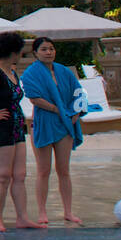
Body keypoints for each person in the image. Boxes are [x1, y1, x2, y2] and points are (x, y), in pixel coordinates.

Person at [0, 31, 43, 232]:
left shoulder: (12, 72)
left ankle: (22, 217)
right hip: (2, 128)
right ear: (13, 52)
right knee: (4, 175)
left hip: (17, 127)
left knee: (20, 174)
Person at [21, 37, 83, 226]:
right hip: (45, 122)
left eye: (51, 49)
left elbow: (79, 93)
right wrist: (58, 110)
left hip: (65, 124)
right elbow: (34, 98)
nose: (49, 52)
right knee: (43, 170)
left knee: (64, 170)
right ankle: (42, 212)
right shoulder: (31, 73)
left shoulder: (64, 71)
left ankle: (68, 211)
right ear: (36, 53)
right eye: (44, 49)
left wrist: (75, 113)